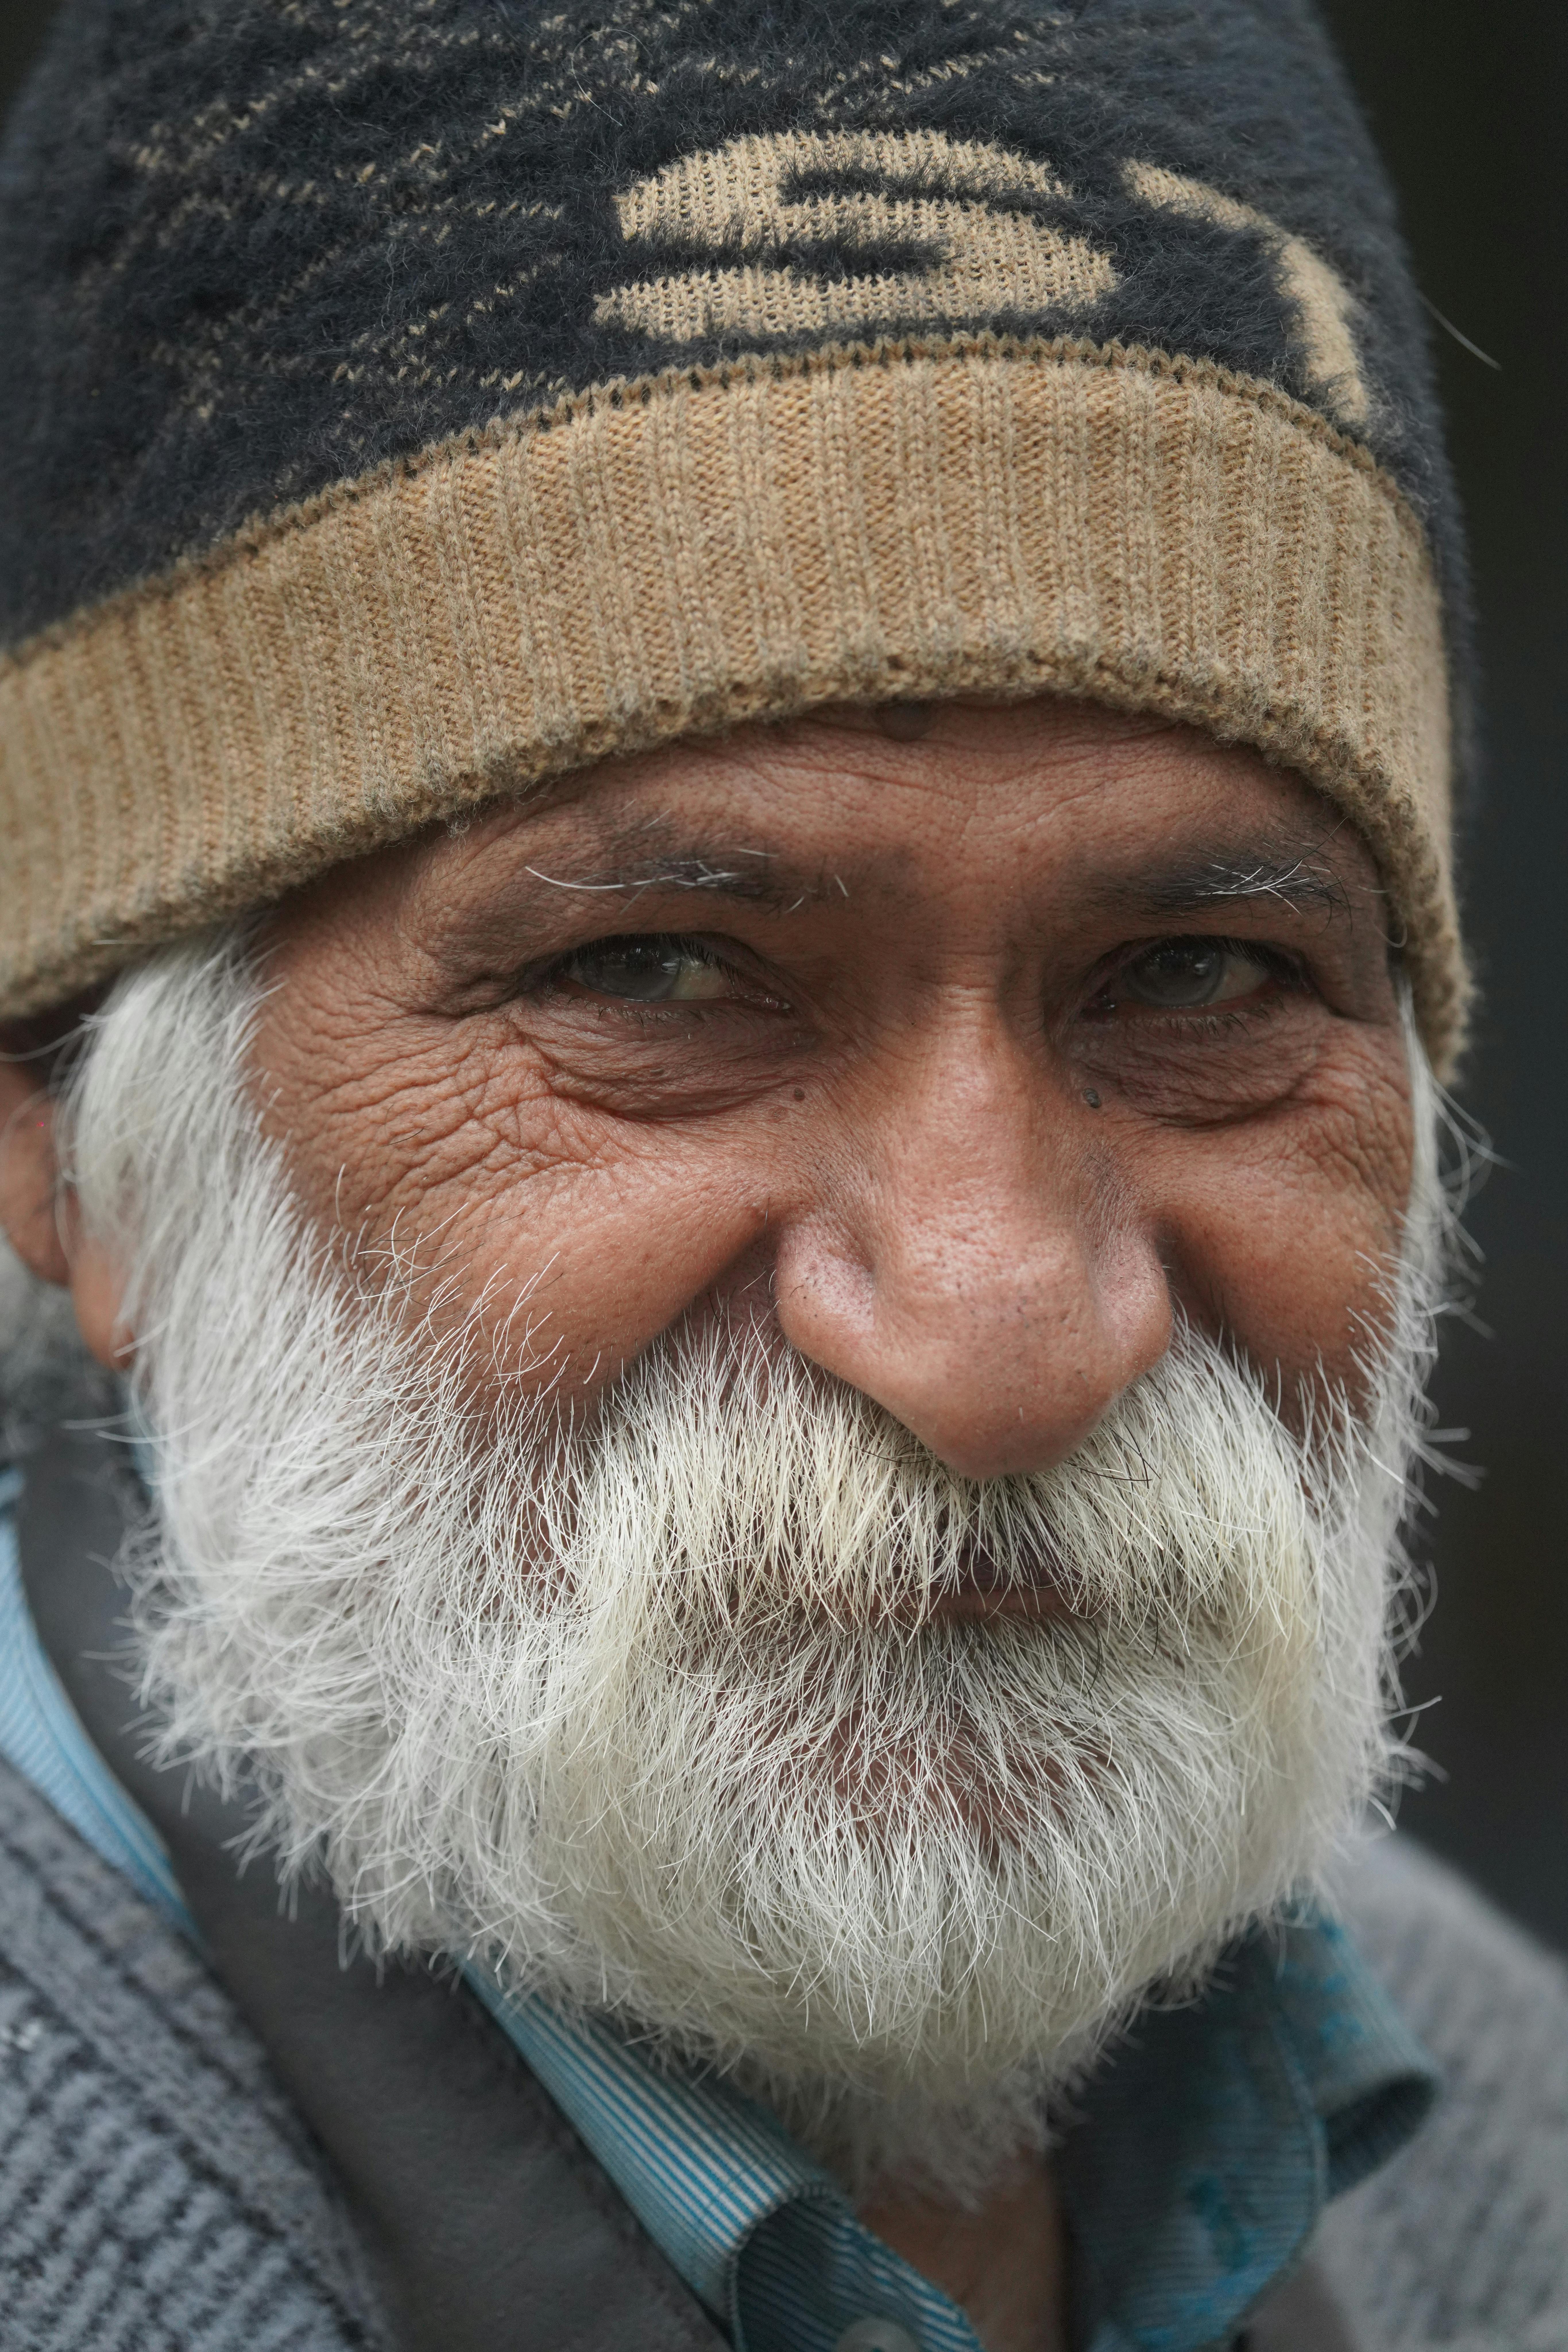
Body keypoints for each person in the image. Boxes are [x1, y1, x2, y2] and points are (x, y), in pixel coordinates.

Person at [0, 2, 1563, 2347]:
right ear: (72, 1162)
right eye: (659, 979)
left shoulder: (1506, 2146)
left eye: (1202, 986)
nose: (996, 1332)